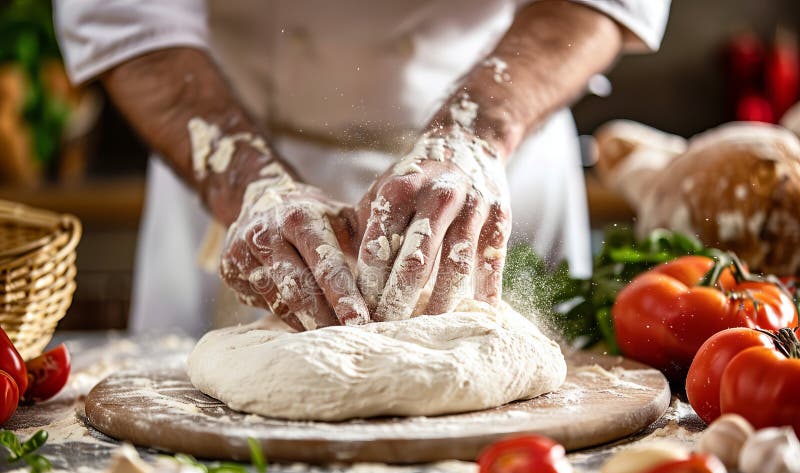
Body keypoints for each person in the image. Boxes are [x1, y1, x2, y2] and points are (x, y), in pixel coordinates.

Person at [54, 0, 670, 335]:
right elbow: (127, 17)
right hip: (229, 151)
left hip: (498, 144)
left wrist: (473, 136)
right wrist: (248, 187)